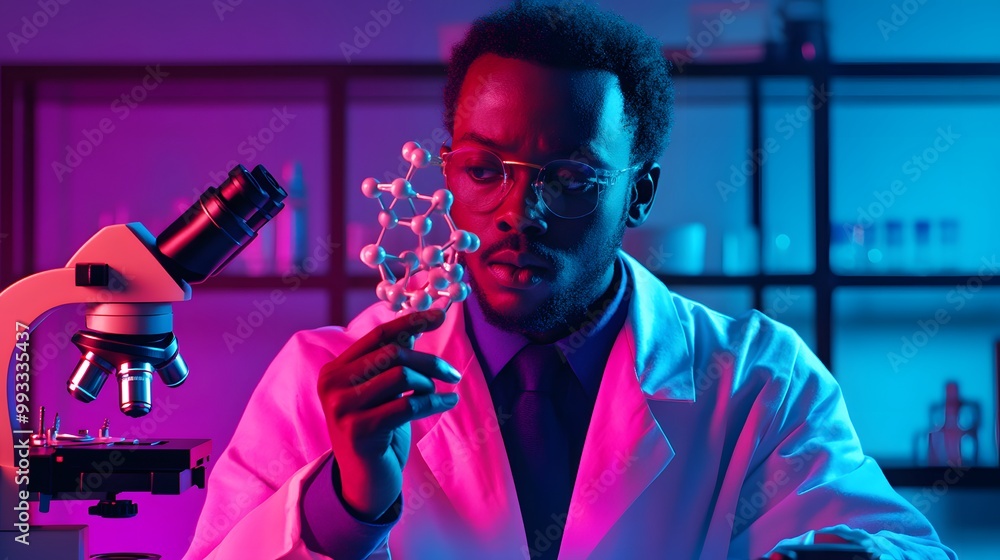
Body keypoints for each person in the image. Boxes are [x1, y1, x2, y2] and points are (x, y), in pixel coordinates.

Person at [185, 3, 956, 559]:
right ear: (448, 172)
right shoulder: (324, 378)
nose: (519, 212)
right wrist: (345, 506)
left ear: (640, 194)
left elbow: (897, 543)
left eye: (571, 178)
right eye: (485, 170)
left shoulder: (757, 381)